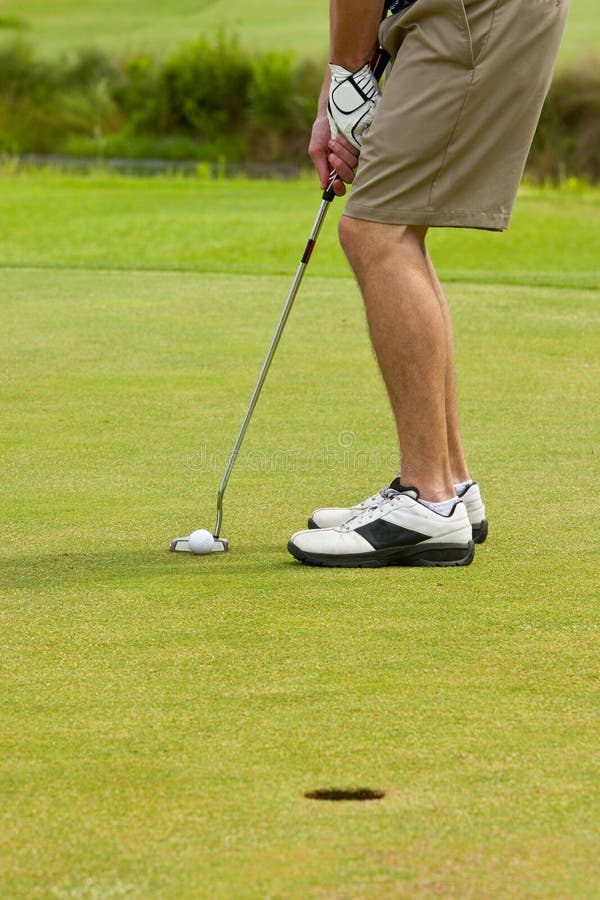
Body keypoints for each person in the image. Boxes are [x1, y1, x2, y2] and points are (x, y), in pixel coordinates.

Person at [287, 0, 569, 568]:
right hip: (460, 12)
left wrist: (345, 78)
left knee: (374, 231)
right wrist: (339, 89)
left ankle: (428, 502)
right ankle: (450, 486)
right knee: (396, 225)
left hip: (468, 12)